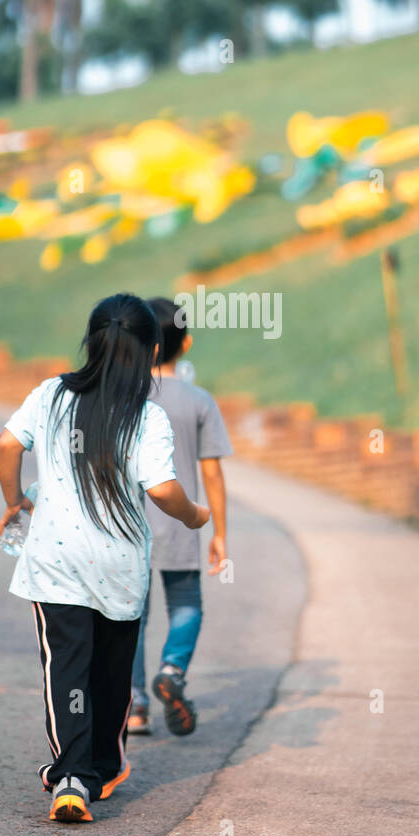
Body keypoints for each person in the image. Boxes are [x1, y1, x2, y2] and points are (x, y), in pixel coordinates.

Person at [0, 292, 210, 825]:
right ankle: (103, 767)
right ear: (153, 349)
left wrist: (14, 501)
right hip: (118, 566)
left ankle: (70, 778)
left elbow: (5, 445)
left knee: (66, 667)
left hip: (55, 565)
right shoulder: (147, 416)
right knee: (112, 675)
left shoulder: (50, 395)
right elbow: (162, 490)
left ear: (90, 342)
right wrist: (194, 515)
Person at [129, 296, 233, 738]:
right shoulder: (200, 400)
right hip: (182, 521)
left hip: (130, 526)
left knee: (131, 615)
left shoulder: (127, 395)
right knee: (186, 604)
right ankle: (172, 669)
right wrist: (220, 534)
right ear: (185, 344)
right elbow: (212, 470)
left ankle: (133, 704)